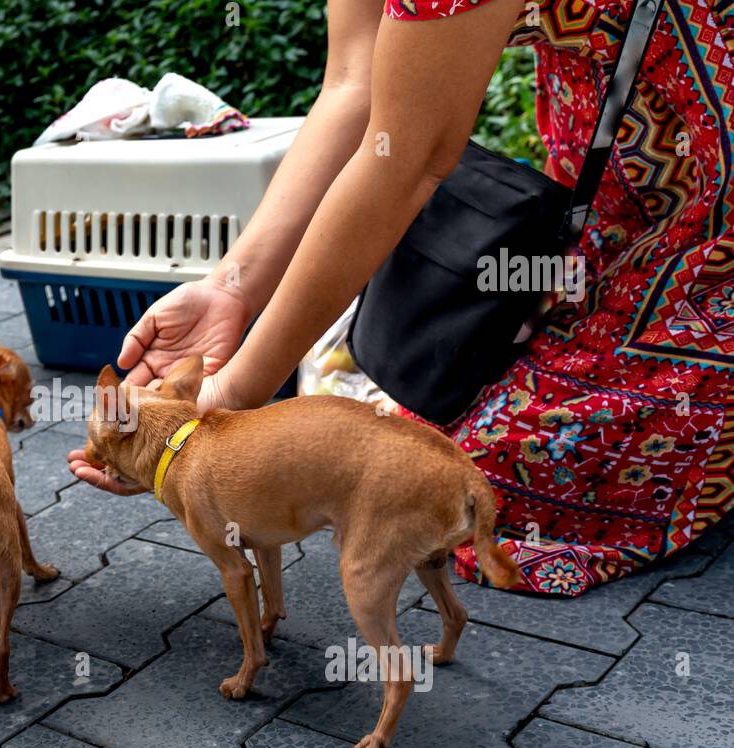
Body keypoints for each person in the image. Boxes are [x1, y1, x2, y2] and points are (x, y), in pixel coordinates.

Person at [69, 0, 734, 596]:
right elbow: (356, 88)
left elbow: (410, 160)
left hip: (712, 197)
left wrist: (231, 399)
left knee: (478, 490)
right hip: (614, 180)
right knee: (417, 458)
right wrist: (229, 289)